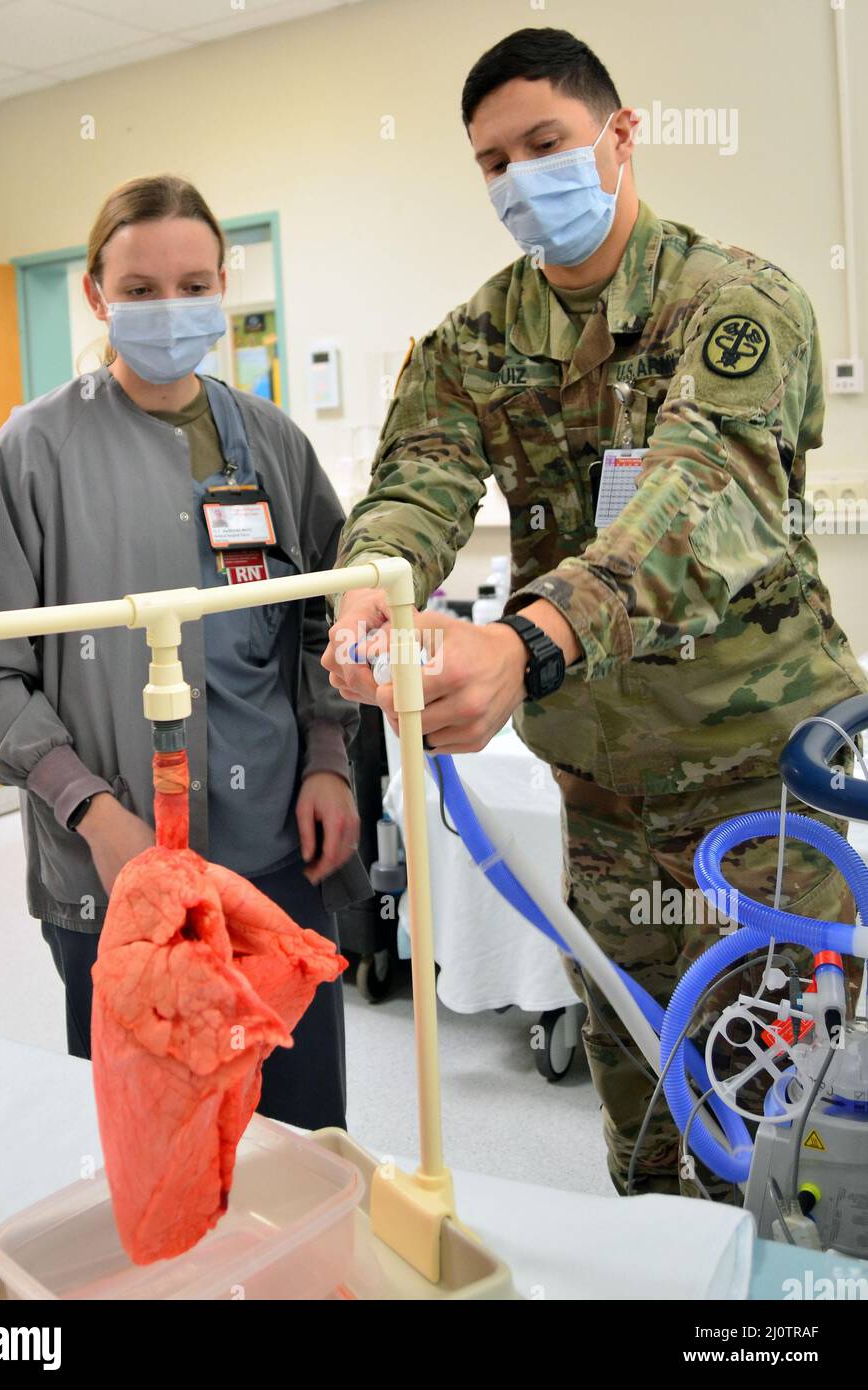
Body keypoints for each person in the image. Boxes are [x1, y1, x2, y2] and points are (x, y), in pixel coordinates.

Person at [323, 28, 868, 1198]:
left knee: (777, 1124)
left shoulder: (734, 303)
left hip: (757, 784)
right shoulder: (474, 337)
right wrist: (370, 581)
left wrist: (527, 641)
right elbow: (416, 480)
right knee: (641, 1105)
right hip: (603, 793)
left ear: (620, 137)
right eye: (491, 161)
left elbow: (701, 492)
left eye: (545, 143)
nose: (521, 181)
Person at [0, 174, 366, 1131]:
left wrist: (330, 759)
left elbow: (324, 618)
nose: (169, 310)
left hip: (276, 856)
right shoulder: (32, 451)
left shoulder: (274, 445)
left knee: (301, 1138)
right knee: (158, 1150)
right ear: (96, 295)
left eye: (193, 284)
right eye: (139, 291)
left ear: (222, 288)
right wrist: (90, 812)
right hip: (116, 871)